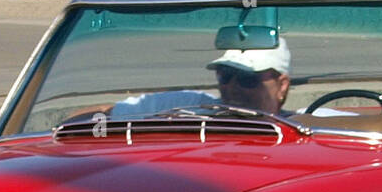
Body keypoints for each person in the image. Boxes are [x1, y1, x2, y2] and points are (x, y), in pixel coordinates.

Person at [109, 37, 291, 118]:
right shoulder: (193, 106)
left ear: (282, 86)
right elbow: (109, 112)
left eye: (247, 79)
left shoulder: (302, 125)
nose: (232, 87)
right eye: (225, 76)